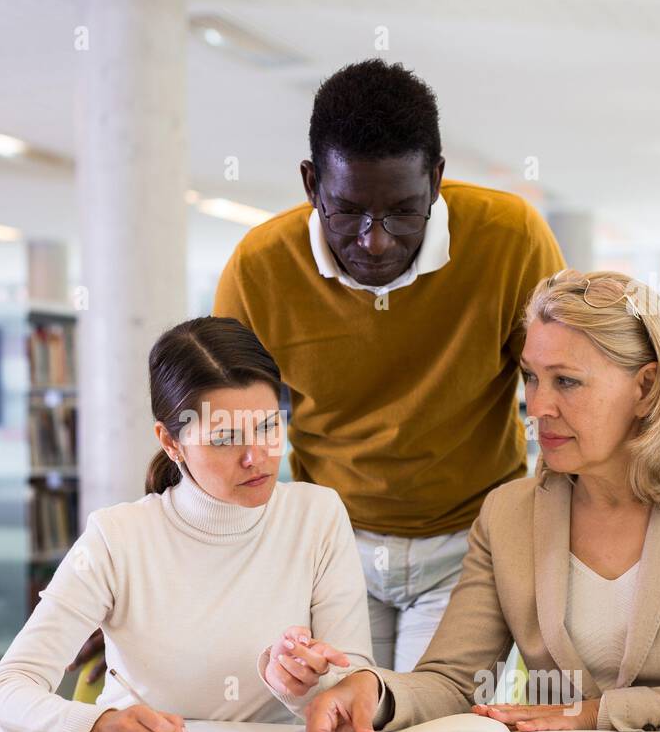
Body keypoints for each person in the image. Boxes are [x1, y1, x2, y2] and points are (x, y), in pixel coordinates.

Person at [304, 270, 660, 732]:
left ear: (647, 388)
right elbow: (453, 683)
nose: (537, 407)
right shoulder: (509, 514)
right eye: (531, 378)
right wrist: (375, 691)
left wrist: (600, 715)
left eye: (566, 381)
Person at [213, 59, 566, 672]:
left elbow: (565, 386)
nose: (375, 242)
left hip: (471, 541)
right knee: (342, 728)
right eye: (346, 211)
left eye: (403, 211)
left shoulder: (511, 237)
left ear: (435, 180)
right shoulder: (259, 266)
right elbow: (218, 433)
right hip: (333, 545)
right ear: (310, 185)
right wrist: (151, 579)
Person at [0, 317, 373, 732]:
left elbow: (354, 687)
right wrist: (94, 727)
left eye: (267, 427)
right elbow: (1, 692)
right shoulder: (117, 537)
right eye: (225, 439)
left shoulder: (317, 516)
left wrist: (302, 685)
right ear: (171, 442)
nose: (256, 457)